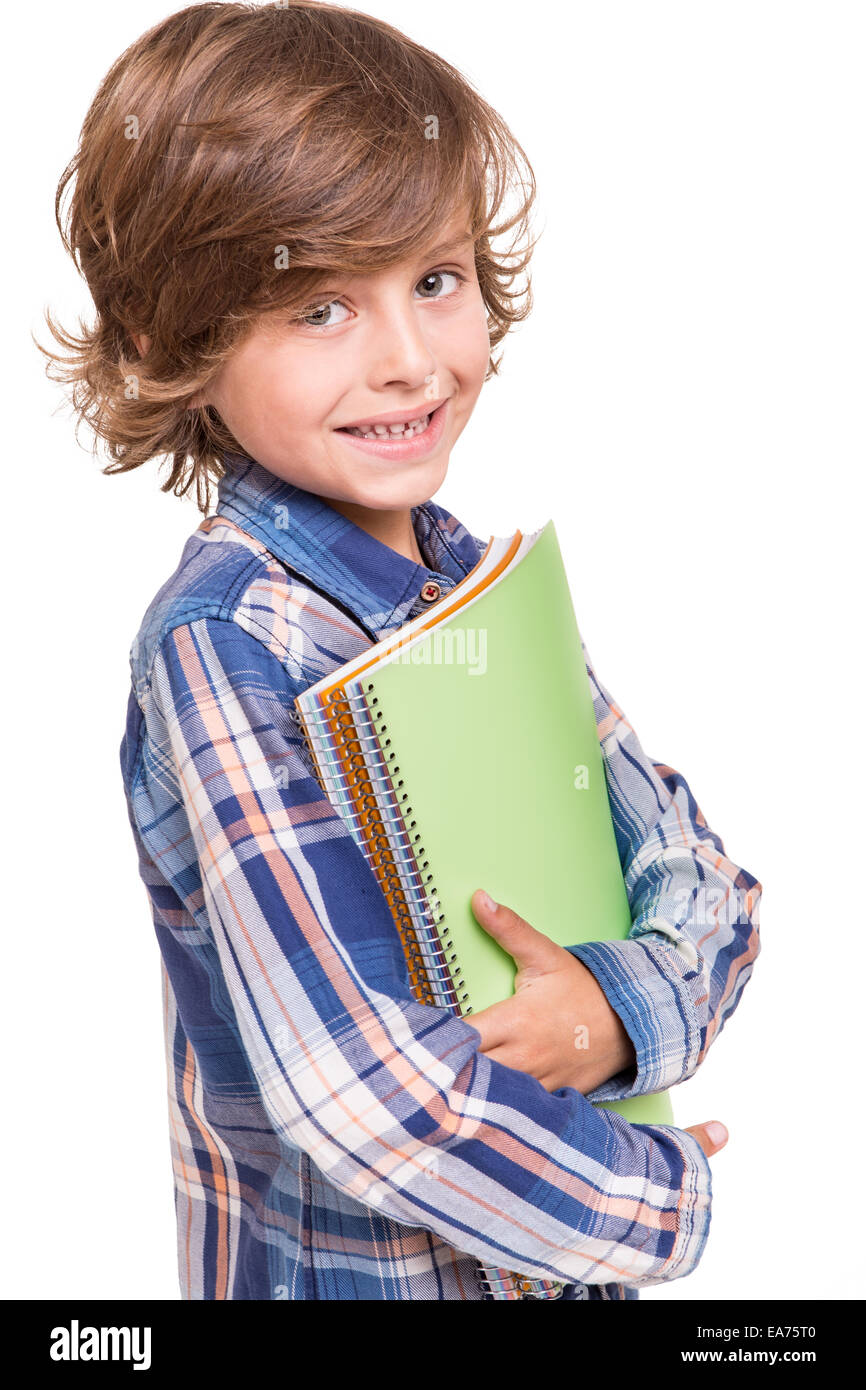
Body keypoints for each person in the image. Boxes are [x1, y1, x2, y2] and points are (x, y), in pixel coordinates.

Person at [40, 0, 761, 1300]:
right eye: (319, 308)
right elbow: (359, 1100)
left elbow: (702, 877)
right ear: (166, 341)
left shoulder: (478, 585)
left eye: (433, 281)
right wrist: (667, 1205)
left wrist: (611, 1013)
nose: (410, 359)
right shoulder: (227, 641)